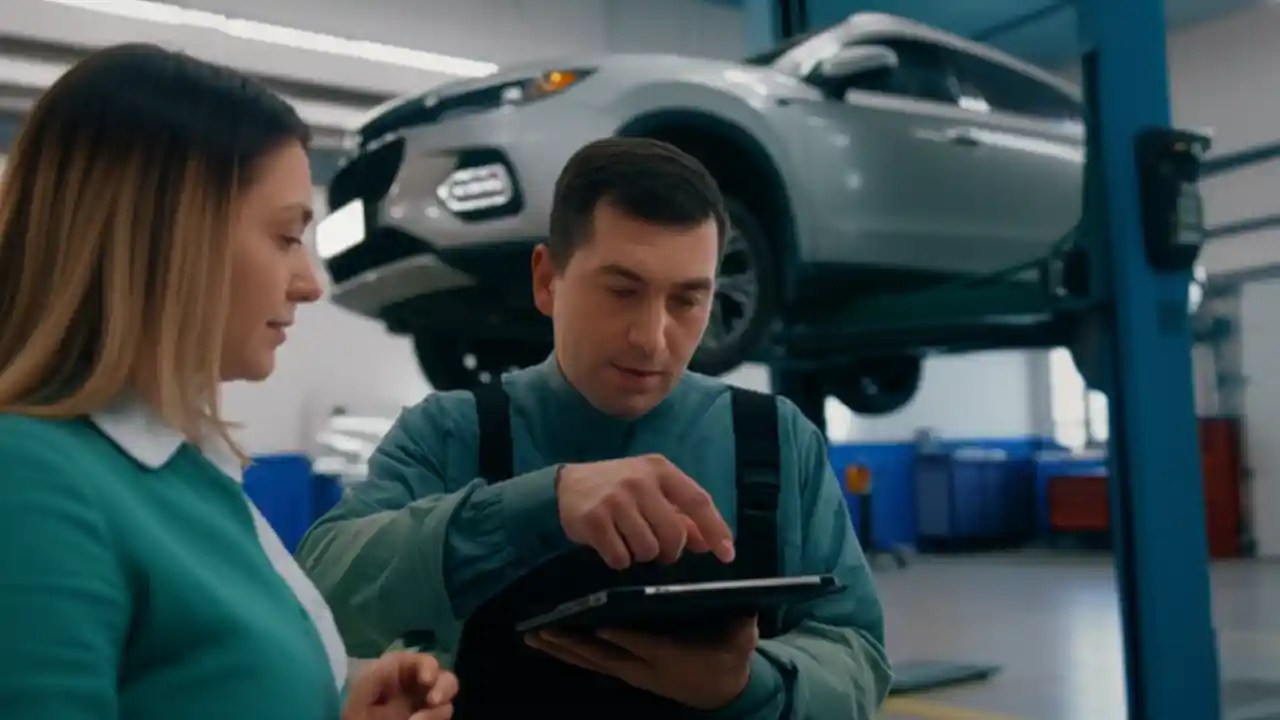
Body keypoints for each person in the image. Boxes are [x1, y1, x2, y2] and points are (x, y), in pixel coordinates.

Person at [296, 137, 893, 717]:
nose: (652, 338)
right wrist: (538, 506)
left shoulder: (776, 444)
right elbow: (324, 589)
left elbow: (859, 658)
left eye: (687, 300)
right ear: (546, 279)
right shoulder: (451, 436)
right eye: (622, 291)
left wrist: (745, 685)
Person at [0, 44, 457, 719]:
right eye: (283, 238)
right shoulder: (31, 480)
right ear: (168, 236)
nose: (308, 283)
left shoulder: (184, 473)